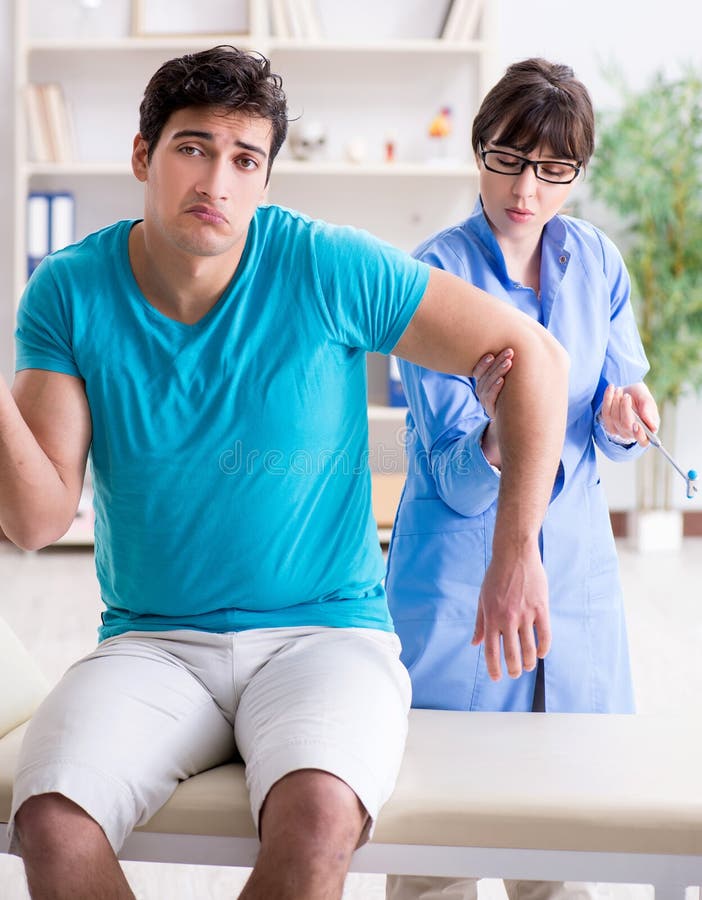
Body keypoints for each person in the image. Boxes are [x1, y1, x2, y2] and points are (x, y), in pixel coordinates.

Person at [2, 46, 570, 900]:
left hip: (326, 636)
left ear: (266, 177)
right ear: (143, 156)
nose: (217, 182)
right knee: (51, 819)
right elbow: (37, 519)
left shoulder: (325, 265)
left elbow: (536, 360)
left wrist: (516, 551)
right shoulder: (69, 291)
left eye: (245, 160)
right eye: (193, 148)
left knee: (317, 819)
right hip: (152, 645)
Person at [384, 58, 659, 900]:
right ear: (479, 148)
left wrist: (622, 423)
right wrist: (499, 437)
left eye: (553, 169)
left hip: (571, 578)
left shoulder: (597, 262)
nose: (526, 189)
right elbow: (452, 475)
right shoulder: (434, 275)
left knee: (560, 849)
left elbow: (610, 426)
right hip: (461, 580)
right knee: (437, 847)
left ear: (577, 172)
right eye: (507, 158)